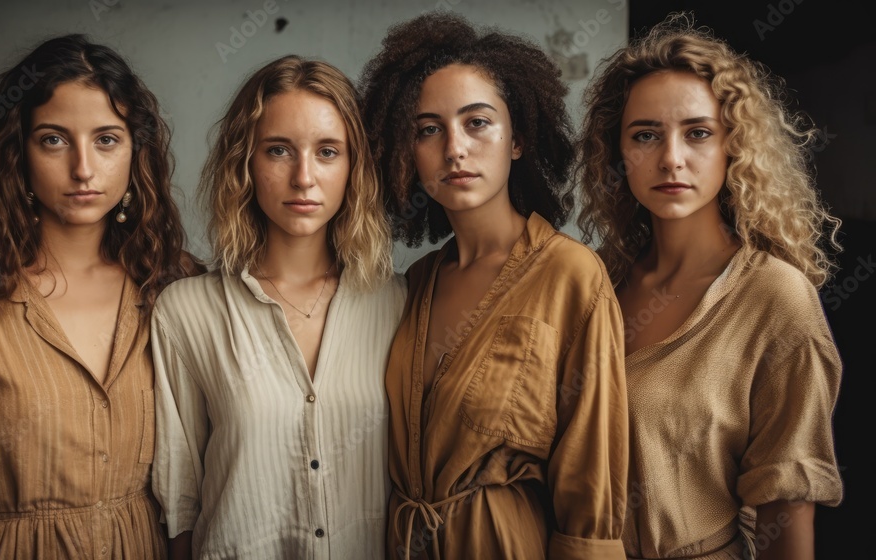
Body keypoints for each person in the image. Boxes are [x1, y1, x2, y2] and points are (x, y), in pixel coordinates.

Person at [0, 34, 201, 558]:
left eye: (107, 139)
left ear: (135, 151)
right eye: (53, 139)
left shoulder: (176, 286)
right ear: (17, 151)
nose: (83, 168)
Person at [359, 12, 628, 559]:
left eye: (476, 122)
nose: (453, 148)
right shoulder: (414, 284)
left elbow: (590, 485)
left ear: (519, 141)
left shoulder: (571, 277)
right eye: (427, 129)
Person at [576, 13, 844, 560]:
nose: (671, 158)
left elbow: (786, 505)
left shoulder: (775, 297)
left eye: (697, 133)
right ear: (617, 153)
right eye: (645, 135)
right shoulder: (594, 280)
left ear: (733, 146)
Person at [151, 55, 405, 560]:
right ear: (245, 162)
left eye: (328, 151)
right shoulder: (185, 312)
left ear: (355, 167)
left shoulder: (399, 303)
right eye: (279, 151)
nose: (304, 177)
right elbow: (181, 499)